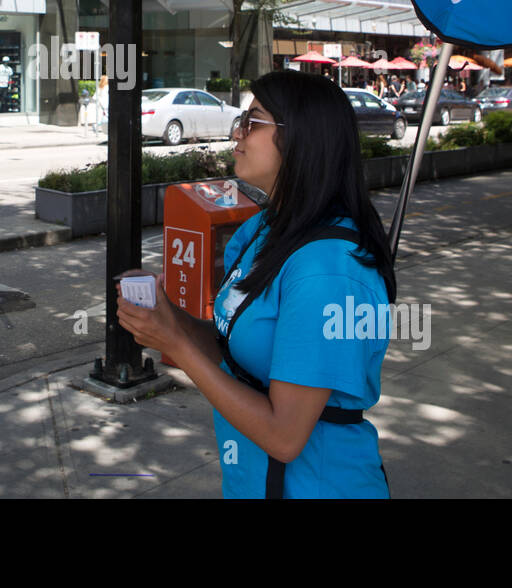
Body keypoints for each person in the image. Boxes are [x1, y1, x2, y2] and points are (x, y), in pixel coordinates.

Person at [117, 70, 396, 498]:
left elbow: (285, 437)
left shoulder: (330, 273)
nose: (237, 133)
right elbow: (237, 347)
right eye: (241, 120)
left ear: (302, 137)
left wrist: (177, 345)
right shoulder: (263, 230)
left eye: (254, 120)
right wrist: (167, 316)